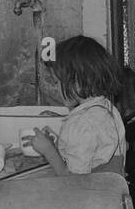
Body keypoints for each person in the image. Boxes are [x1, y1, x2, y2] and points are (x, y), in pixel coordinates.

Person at [26, 35, 127, 175]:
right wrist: (56, 146)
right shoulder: (107, 108)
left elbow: (74, 181)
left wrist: (48, 151)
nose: (55, 88)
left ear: (78, 80)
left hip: (89, 194)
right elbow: (92, 155)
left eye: (57, 82)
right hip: (113, 192)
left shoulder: (82, 123)